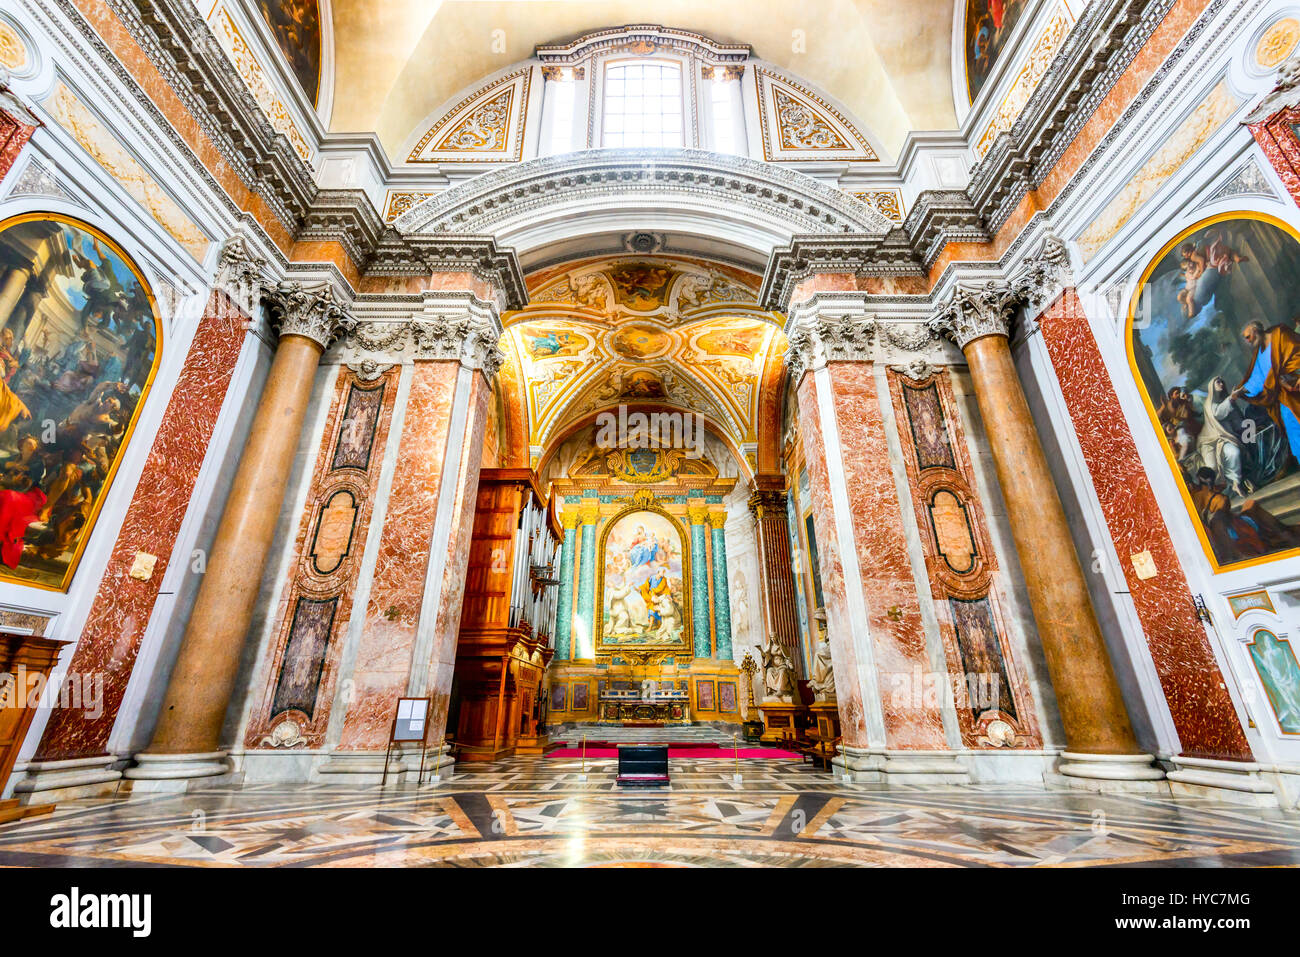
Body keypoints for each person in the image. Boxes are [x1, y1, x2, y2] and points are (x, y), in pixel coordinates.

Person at [1232, 320, 1300, 473]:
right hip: (1284, 398)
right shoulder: (1259, 353)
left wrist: (1295, 375)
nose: (1248, 341)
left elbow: (1297, 352)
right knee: (1292, 428)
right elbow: (1257, 379)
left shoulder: (1280, 334)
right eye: (1246, 339)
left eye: (1248, 337)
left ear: (1256, 330)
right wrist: (1241, 391)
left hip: (1296, 389)